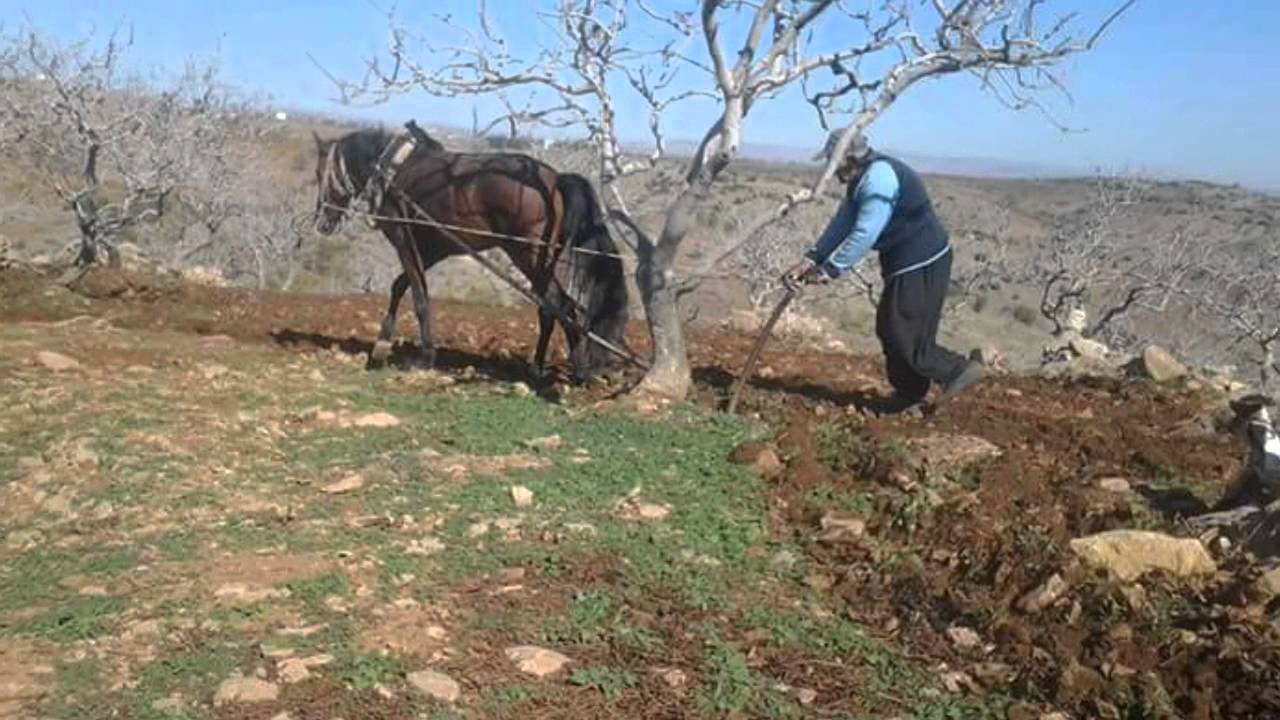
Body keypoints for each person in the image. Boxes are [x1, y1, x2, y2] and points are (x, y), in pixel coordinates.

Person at [785, 132, 983, 416]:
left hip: (922, 260)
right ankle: (909, 395)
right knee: (892, 328)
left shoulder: (879, 179)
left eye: (833, 162)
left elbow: (865, 232)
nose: (831, 169)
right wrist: (812, 258)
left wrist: (830, 269)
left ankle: (957, 370)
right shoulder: (860, 180)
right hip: (906, 262)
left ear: (849, 159)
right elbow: (842, 223)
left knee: (901, 330)